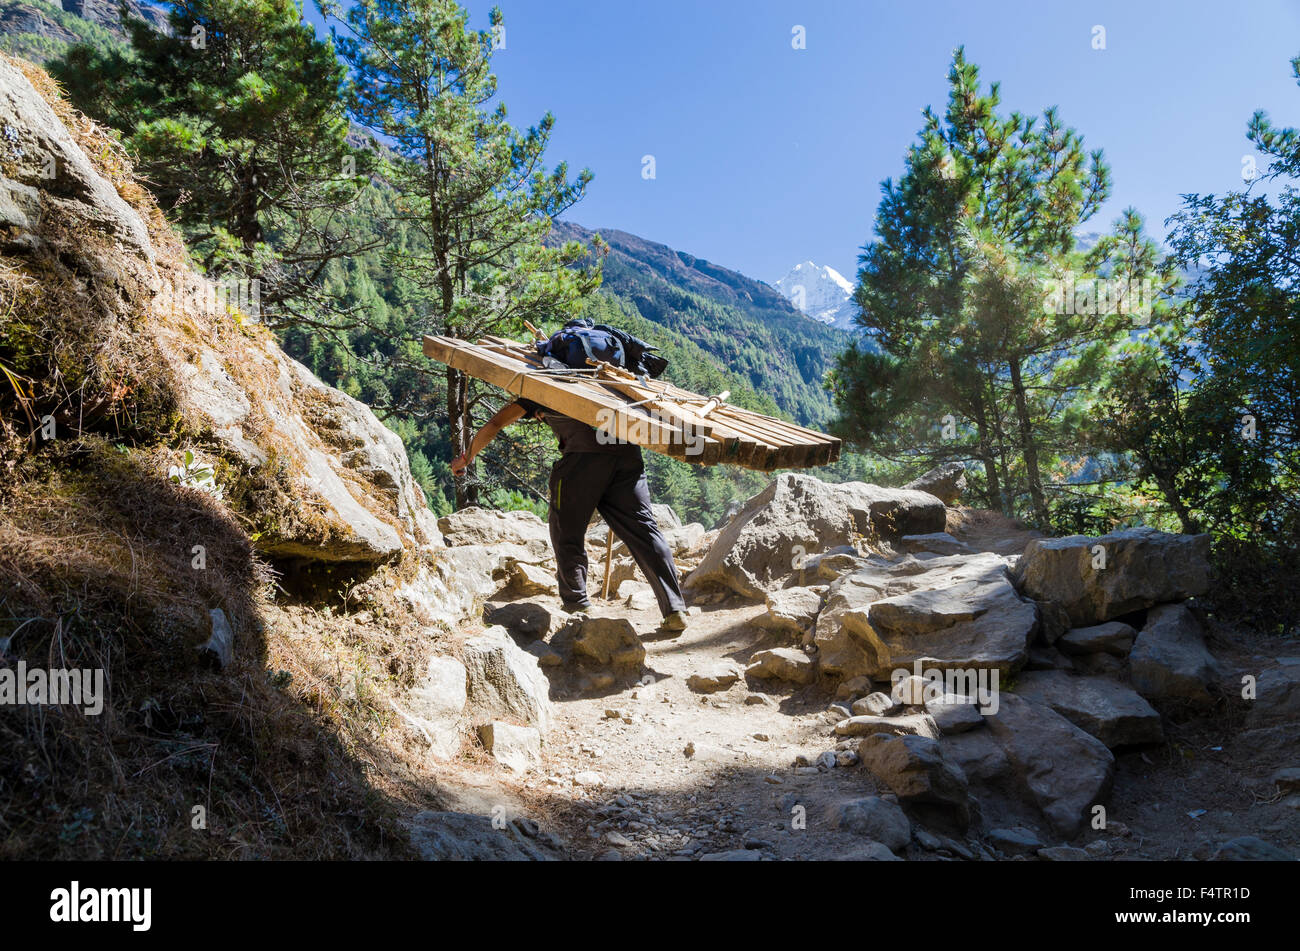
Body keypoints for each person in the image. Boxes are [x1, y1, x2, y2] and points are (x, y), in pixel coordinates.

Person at [450, 396, 690, 635]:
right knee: (645, 531)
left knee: (566, 530)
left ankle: (577, 606)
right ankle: (675, 609)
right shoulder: (612, 382)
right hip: (627, 459)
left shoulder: (544, 384)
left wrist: (467, 457)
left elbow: (495, 424)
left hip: (582, 461)